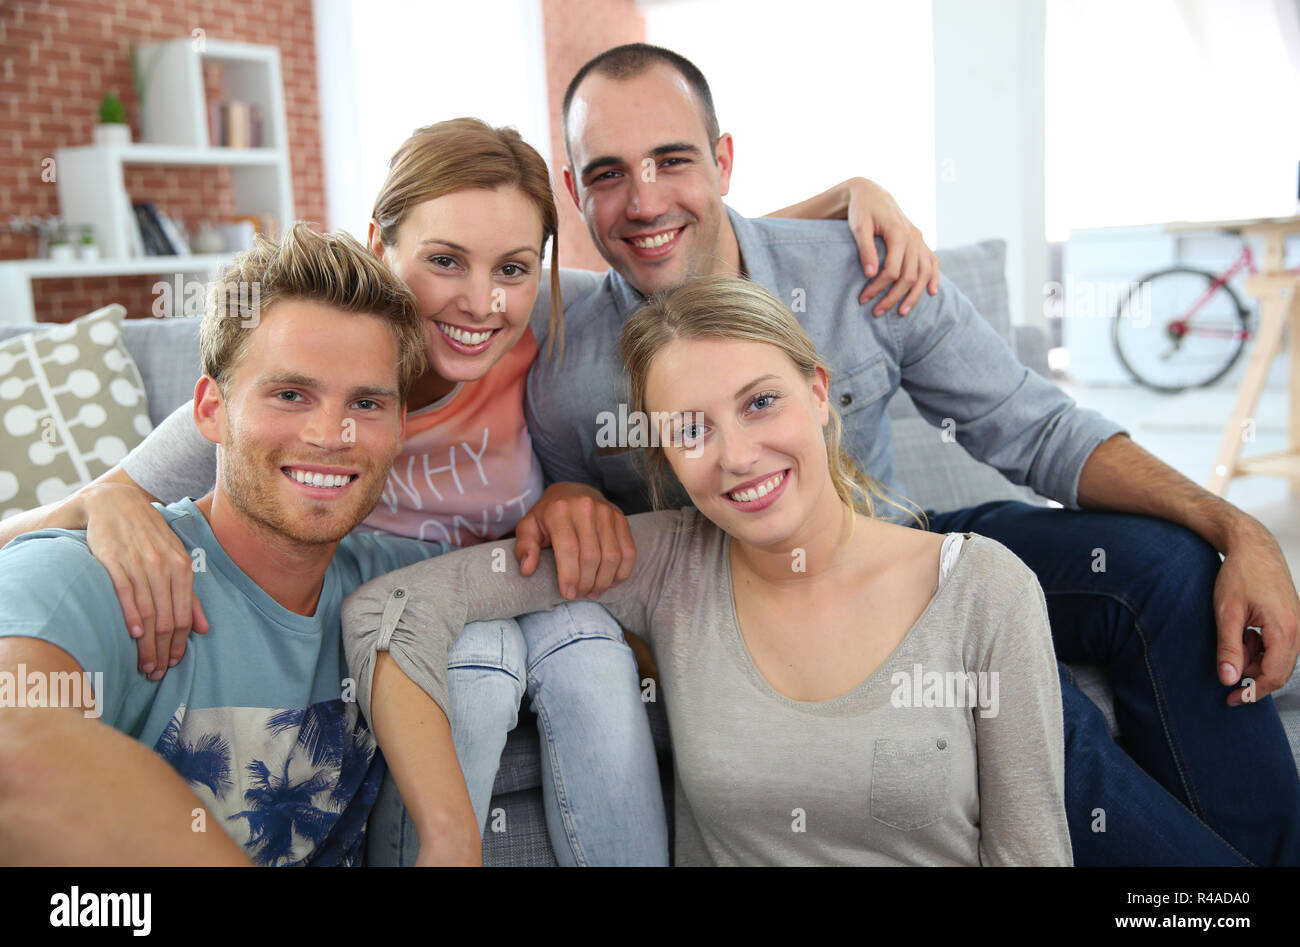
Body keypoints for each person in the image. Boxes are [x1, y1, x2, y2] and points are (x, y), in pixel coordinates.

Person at [0, 119, 938, 866]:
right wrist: (105, 501)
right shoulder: (282, 371)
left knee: (580, 647)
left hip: (496, 595)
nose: (481, 303)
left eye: (512, 271)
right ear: (380, 244)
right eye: (443, 260)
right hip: (421, 627)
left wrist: (847, 197)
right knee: (481, 669)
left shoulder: (541, 332)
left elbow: (673, 263)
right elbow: (44, 577)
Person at [518, 42, 1300, 865]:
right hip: (763, 610)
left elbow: (1034, 426)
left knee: (1169, 565)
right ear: (574, 192)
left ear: (723, 161)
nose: (643, 201)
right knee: (1023, 696)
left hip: (903, 537)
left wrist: (1237, 528)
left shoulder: (860, 268)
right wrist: (562, 505)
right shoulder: (566, 379)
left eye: (672, 160)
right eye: (607, 175)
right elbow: (576, 549)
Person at [340, 274, 1073, 866]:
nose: (738, 456)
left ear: (818, 393)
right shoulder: (664, 563)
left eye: (761, 403)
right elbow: (389, 606)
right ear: (662, 458)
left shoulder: (985, 590)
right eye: (692, 430)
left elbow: (1032, 855)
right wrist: (449, 836)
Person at [0, 225, 476, 865]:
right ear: (210, 410)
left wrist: (568, 509)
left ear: (399, 428)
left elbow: (573, 580)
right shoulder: (90, 572)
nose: (331, 434)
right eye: (290, 394)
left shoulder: (396, 585)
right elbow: (15, 753)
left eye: (366, 402)